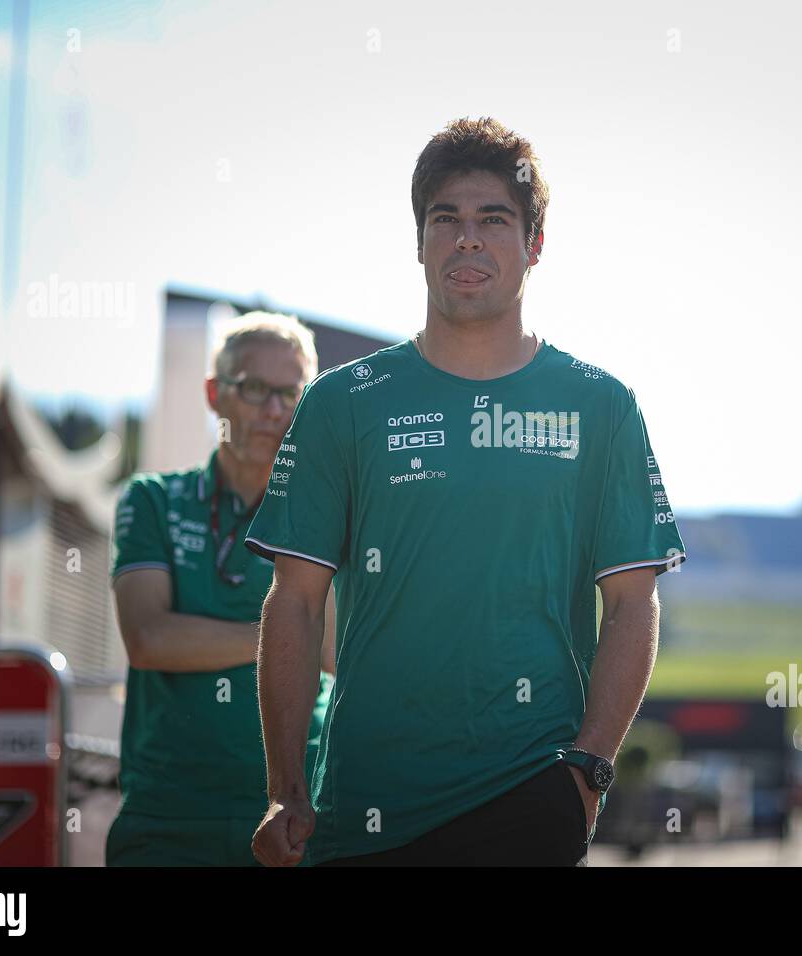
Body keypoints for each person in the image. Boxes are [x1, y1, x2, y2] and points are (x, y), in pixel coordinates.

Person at [246, 116, 685, 867]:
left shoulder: (601, 405)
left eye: (494, 220)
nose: (467, 239)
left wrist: (590, 771)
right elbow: (294, 601)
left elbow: (633, 603)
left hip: (530, 796)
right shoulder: (345, 402)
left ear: (535, 244)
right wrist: (287, 789)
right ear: (419, 242)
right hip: (364, 809)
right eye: (445, 219)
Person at [107, 312, 335, 866]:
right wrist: (288, 633)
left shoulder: (333, 515)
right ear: (215, 393)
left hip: (300, 817)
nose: (275, 410)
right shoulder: (154, 499)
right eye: (255, 388)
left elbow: (332, 654)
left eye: (291, 393)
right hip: (168, 813)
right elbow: (148, 638)